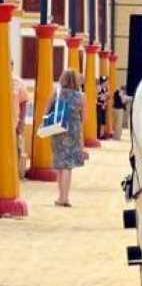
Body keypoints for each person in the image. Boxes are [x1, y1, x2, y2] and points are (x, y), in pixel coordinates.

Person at [50, 69, 86, 207]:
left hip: (58, 130)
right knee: (68, 166)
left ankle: (61, 197)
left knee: (60, 165)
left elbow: (47, 111)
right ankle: (65, 197)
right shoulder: (81, 96)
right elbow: (84, 118)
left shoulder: (56, 93)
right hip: (74, 132)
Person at [11, 62, 29, 178]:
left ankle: (13, 178)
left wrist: (22, 122)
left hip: (13, 124)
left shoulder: (18, 83)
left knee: (15, 151)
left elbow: (23, 103)